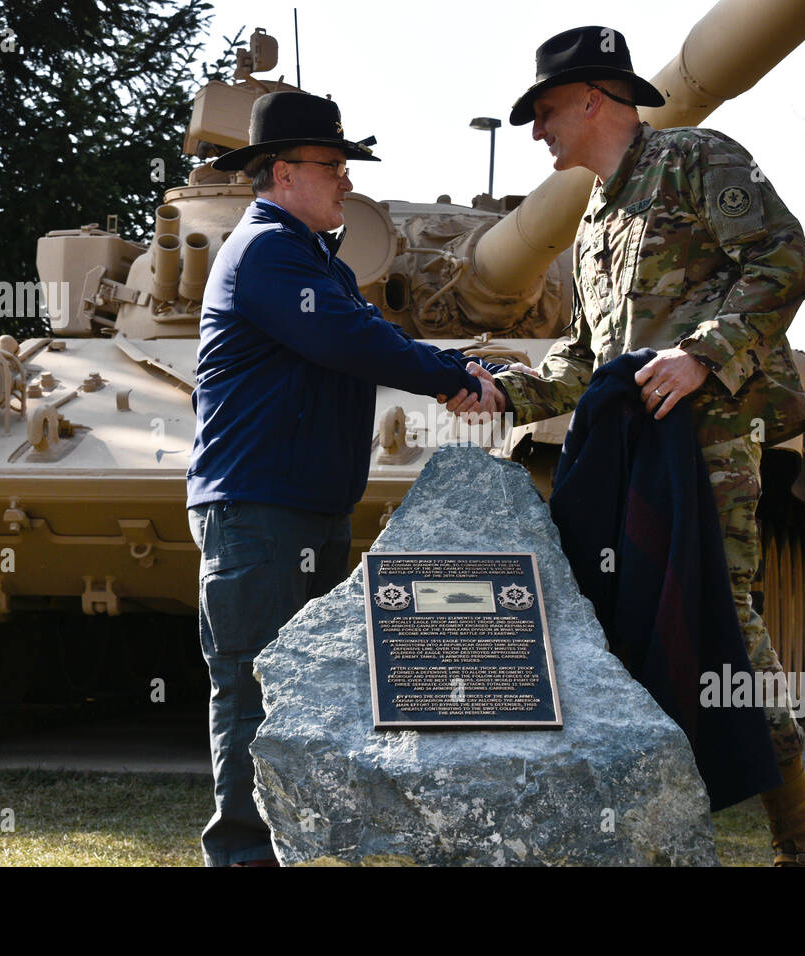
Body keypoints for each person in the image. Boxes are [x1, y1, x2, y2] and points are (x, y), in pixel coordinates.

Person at [450, 26, 805, 866]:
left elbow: (784, 261)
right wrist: (500, 391)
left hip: (708, 450)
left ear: (593, 97)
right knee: (626, 626)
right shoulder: (590, 220)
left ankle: (800, 842)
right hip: (630, 460)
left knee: (725, 628)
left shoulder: (699, 159)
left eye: (544, 111)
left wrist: (702, 353)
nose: (537, 130)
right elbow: (587, 359)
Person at [187, 91, 501, 866]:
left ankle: (296, 848)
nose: (347, 184)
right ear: (282, 172)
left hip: (301, 510)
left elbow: (359, 335)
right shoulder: (267, 249)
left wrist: (461, 367)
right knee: (257, 692)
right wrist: (453, 374)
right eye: (333, 166)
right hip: (260, 510)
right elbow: (348, 337)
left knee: (306, 693)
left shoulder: (307, 255)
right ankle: (245, 856)